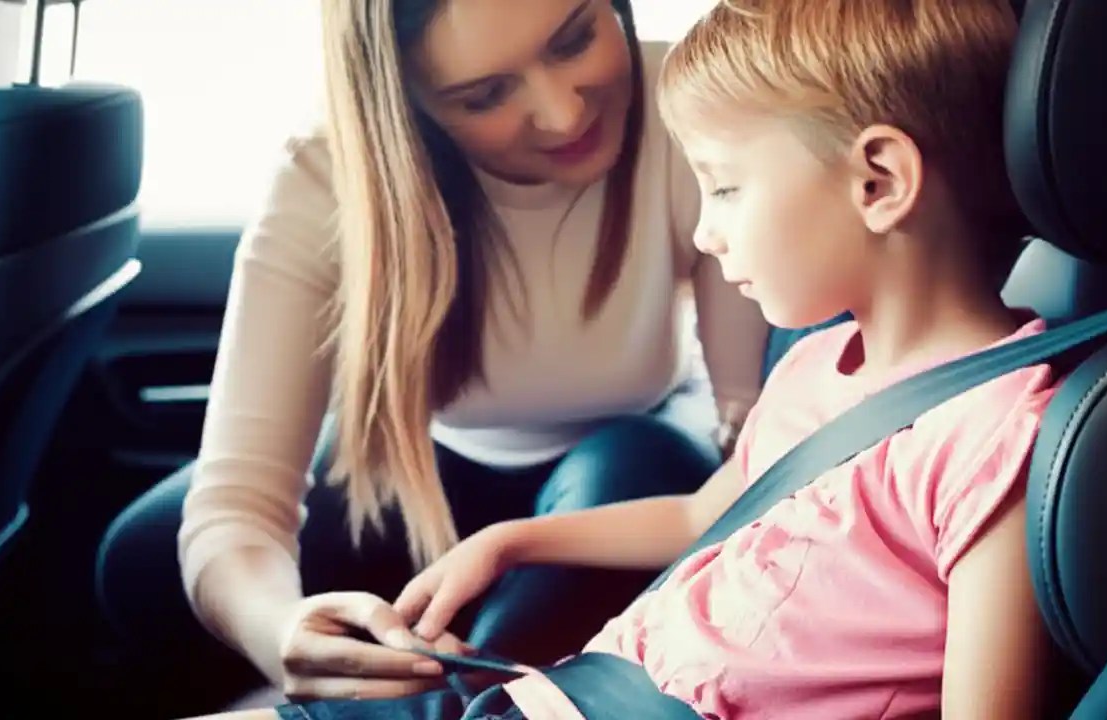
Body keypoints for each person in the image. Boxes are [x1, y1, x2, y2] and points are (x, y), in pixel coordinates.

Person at [188, 0, 1056, 717]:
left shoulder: (988, 440)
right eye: (484, 92)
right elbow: (703, 517)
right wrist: (507, 543)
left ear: (877, 182)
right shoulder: (820, 366)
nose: (703, 233)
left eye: (722, 189)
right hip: (590, 677)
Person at [94, 0, 770, 713]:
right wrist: (280, 633)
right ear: (409, 107)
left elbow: (743, 412)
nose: (564, 114)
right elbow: (235, 509)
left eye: (576, 40)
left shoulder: (688, 103)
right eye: (484, 95)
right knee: (143, 563)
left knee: (629, 475)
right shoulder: (327, 175)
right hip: (423, 469)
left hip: (634, 457)